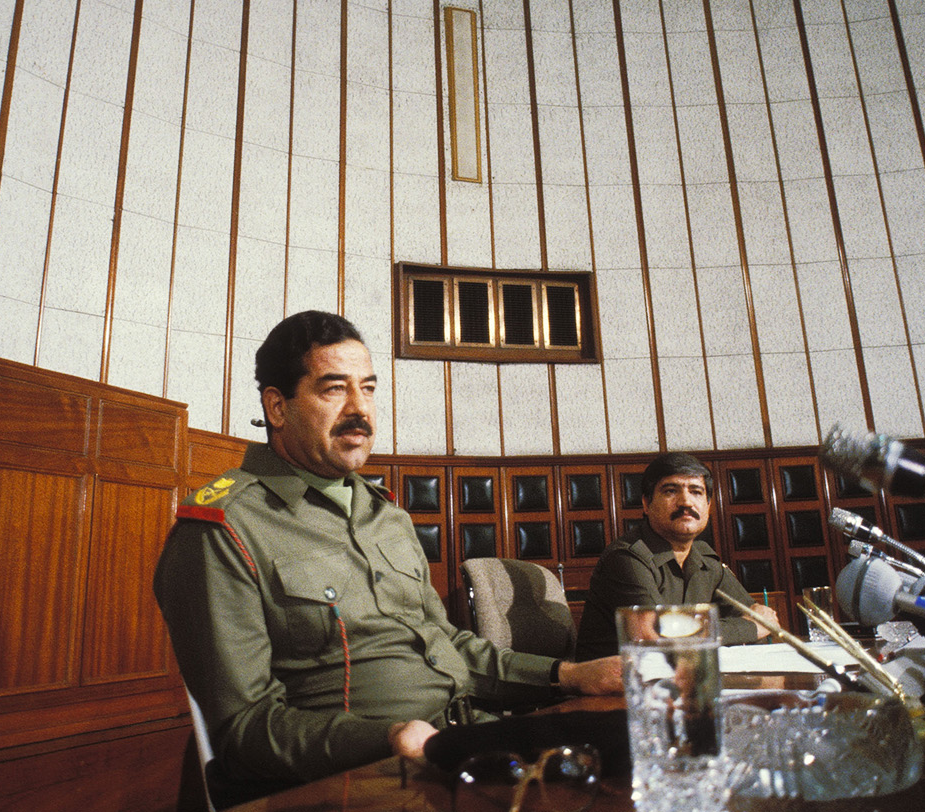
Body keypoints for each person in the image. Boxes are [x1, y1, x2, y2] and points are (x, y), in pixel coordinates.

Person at [153, 311, 621, 808]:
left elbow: (450, 647)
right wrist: (390, 737)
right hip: (359, 779)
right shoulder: (222, 527)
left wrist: (566, 676)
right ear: (278, 407)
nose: (361, 410)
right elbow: (245, 733)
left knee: (635, 754)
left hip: (467, 743)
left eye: (369, 389)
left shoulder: (387, 515)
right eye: (334, 389)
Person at [572, 451, 780, 661]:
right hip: (618, 688)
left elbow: (758, 616)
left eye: (696, 492)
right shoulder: (626, 558)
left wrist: (753, 625)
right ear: (646, 504)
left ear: (708, 506)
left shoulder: (706, 558)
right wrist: (749, 627)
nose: (686, 502)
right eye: (671, 491)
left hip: (681, 680)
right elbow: (657, 635)